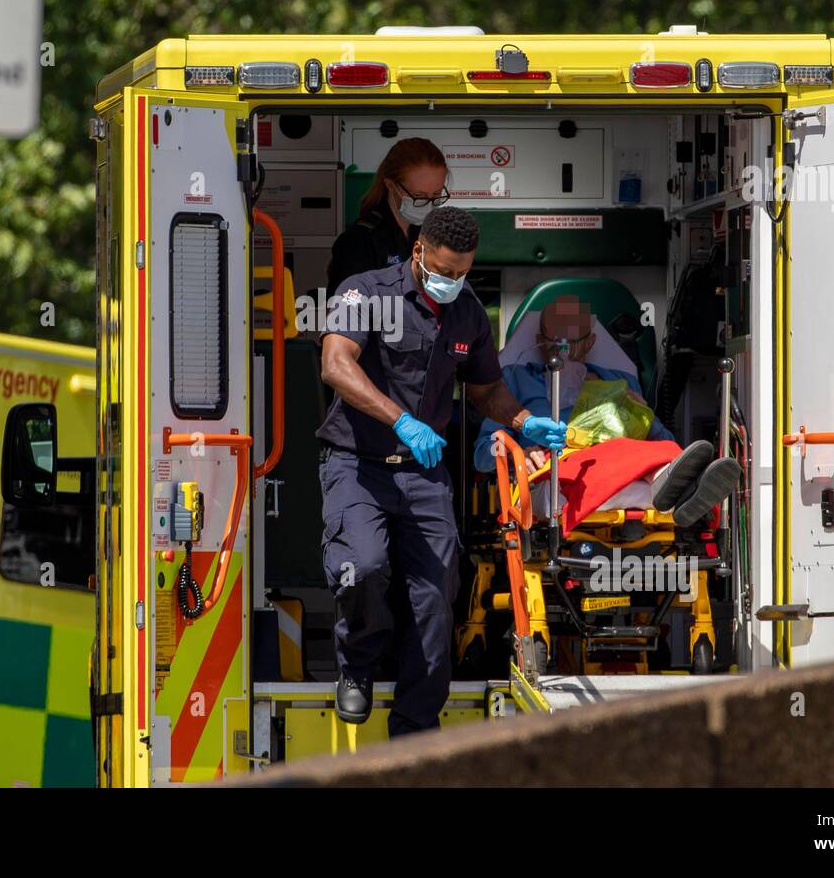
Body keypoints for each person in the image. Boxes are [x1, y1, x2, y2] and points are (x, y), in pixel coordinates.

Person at [316, 206, 566, 735]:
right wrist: (401, 420)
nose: (453, 281)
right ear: (419, 252)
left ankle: (415, 731)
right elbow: (336, 364)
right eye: (445, 270)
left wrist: (525, 421)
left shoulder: (468, 311)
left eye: (463, 272)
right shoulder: (367, 292)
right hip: (357, 468)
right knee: (362, 568)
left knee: (436, 595)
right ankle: (356, 667)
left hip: (423, 476)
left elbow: (485, 390)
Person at [474, 295, 740, 527]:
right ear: (538, 341)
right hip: (558, 465)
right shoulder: (514, 381)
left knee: (665, 451)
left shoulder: (616, 384)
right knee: (600, 464)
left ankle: (672, 481)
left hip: (619, 457)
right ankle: (682, 492)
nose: (563, 352)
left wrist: (639, 413)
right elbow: (482, 455)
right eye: (554, 343)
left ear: (590, 343)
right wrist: (518, 454)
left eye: (572, 343)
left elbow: (662, 439)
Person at [326, 137, 450, 292]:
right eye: (419, 196)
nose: (428, 204)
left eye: (436, 195)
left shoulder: (430, 236)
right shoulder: (361, 241)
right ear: (391, 185)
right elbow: (344, 310)